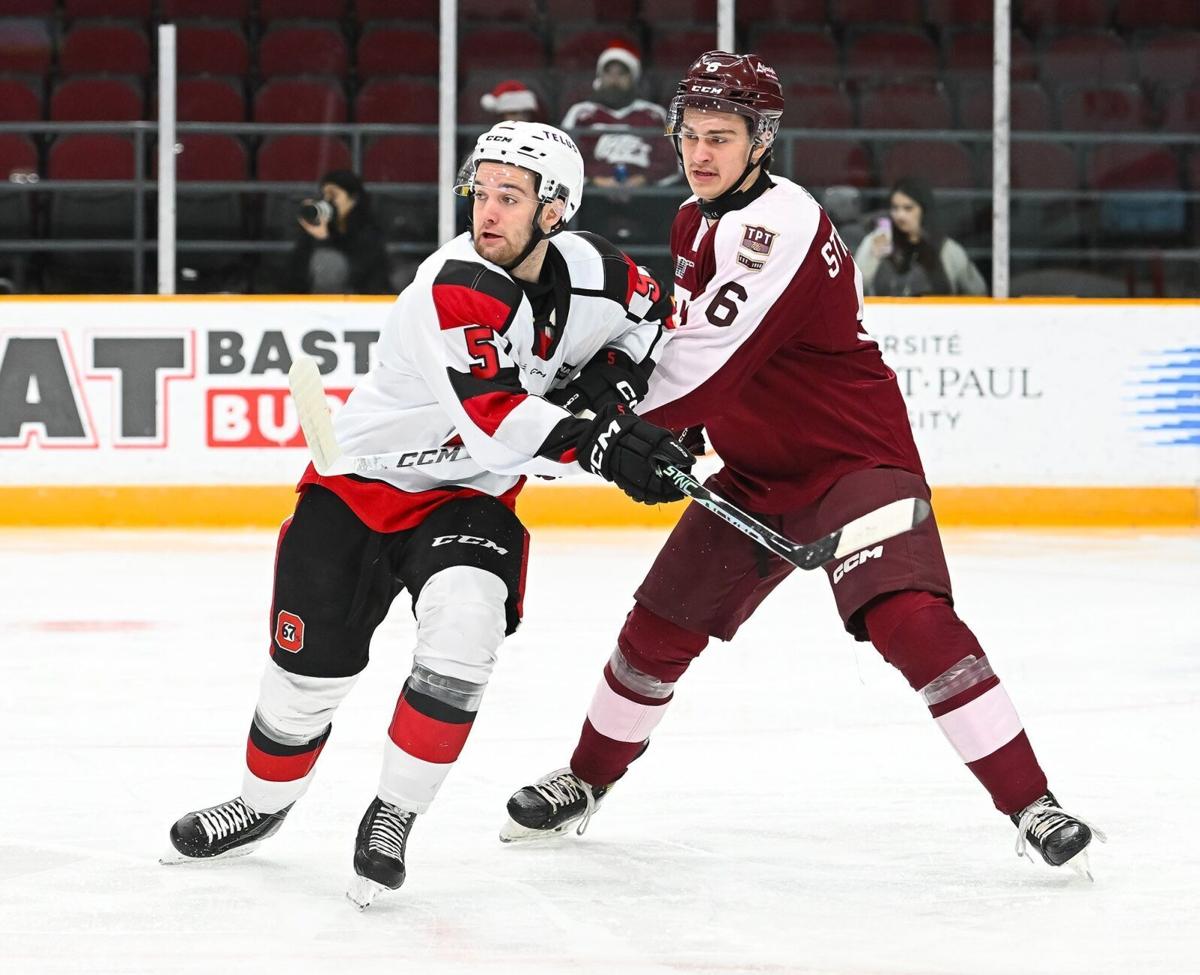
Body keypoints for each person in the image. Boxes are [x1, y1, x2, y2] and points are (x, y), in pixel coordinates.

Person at [502, 53, 1103, 876]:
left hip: (855, 463)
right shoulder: (692, 221)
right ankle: (586, 779)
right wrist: (673, 428)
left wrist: (590, 429)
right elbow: (694, 345)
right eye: (689, 135)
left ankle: (1033, 804)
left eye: (720, 137)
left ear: (762, 142)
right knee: (657, 628)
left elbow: (705, 362)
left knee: (910, 621)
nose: (699, 153)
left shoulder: (779, 224)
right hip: (756, 471)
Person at [163, 121, 694, 907]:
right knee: (305, 681)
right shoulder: (455, 283)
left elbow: (654, 318)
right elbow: (495, 421)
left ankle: (394, 814)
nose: (487, 209)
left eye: (510, 196)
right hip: (357, 488)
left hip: (469, 496)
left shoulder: (601, 274)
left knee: (467, 626)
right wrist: (604, 444)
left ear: (555, 210)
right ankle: (261, 802)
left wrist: (611, 381)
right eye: (481, 191)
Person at [560, 40, 679, 245]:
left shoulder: (654, 114)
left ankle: (660, 264)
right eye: (609, 73)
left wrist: (642, 179)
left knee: (666, 209)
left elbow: (673, 162)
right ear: (599, 77)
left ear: (634, 78)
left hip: (646, 194)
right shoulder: (581, 113)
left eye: (621, 74)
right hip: (594, 194)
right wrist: (597, 180)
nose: (614, 79)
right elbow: (565, 157)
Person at [854, 177, 987, 297]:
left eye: (908, 208)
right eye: (895, 208)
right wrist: (873, 258)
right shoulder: (877, 241)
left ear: (923, 210)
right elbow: (855, 288)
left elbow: (978, 293)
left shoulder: (946, 249)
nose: (900, 215)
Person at [288, 169, 390, 294]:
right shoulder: (319, 228)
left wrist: (324, 240)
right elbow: (296, 274)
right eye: (324, 195)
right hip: (316, 299)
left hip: (358, 299)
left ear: (353, 198)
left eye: (333, 195)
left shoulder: (368, 231)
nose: (327, 201)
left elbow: (357, 274)